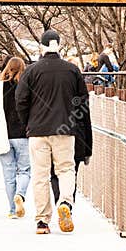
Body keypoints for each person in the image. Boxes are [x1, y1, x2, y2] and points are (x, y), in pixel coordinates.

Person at [16, 29, 91, 235]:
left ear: (42, 46)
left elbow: (20, 100)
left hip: (38, 130)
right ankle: (65, 202)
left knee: (40, 175)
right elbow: (83, 101)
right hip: (65, 129)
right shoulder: (72, 70)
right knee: (66, 170)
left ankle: (42, 221)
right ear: (59, 45)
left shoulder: (31, 71)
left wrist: (28, 123)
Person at [0, 57, 30, 218]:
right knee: (24, 170)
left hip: (4, 135)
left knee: (8, 173)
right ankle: (21, 194)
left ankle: (12, 210)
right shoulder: (26, 87)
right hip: (23, 135)